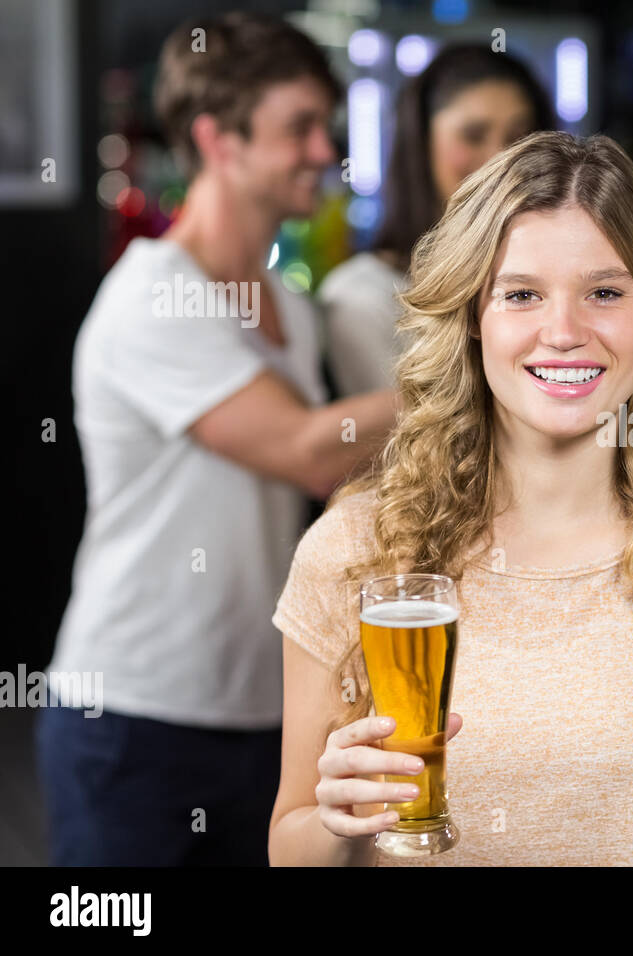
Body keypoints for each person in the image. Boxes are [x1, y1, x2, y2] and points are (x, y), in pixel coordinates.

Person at [267, 131, 633, 866]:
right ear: (471, 317)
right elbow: (289, 845)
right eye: (521, 294)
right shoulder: (355, 549)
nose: (564, 333)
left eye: (604, 292)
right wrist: (337, 822)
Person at [36, 12, 399, 866]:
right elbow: (309, 449)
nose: (324, 151)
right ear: (217, 139)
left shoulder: (289, 305)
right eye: (300, 128)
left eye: (327, 128)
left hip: (260, 715)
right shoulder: (154, 294)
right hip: (136, 718)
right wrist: (472, 372)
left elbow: (332, 480)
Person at [319, 45, 552, 396]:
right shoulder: (365, 296)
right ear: (421, 145)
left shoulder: (562, 277)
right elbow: (411, 440)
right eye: (473, 135)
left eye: (518, 138)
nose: (500, 159)